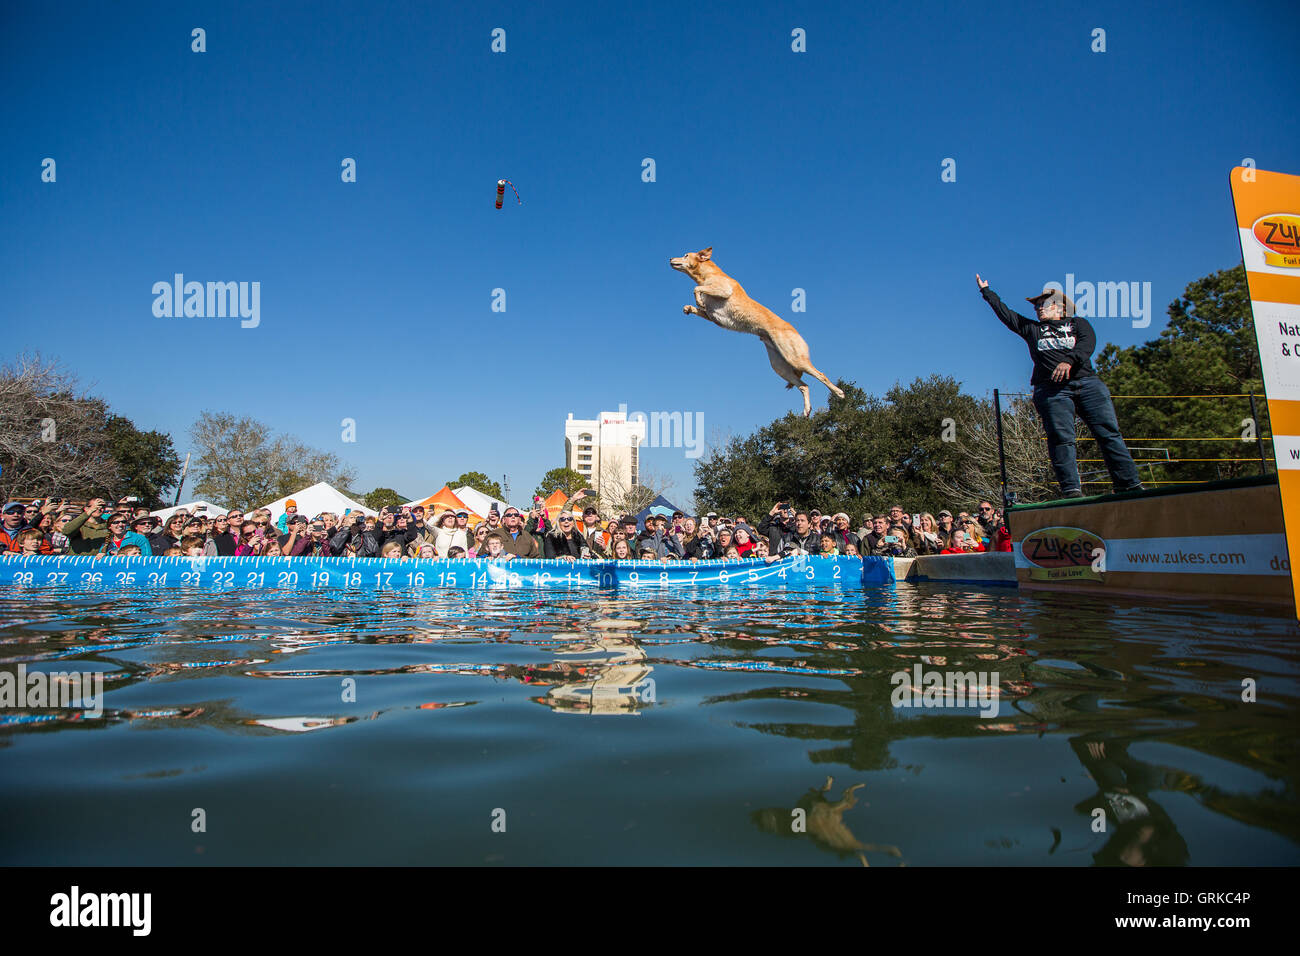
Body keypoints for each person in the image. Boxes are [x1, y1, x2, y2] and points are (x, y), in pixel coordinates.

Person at [978, 273, 1143, 497]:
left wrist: (1069, 361)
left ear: (1060, 308)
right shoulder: (1033, 329)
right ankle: (1071, 489)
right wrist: (987, 292)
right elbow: (1007, 316)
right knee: (1061, 439)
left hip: (1086, 383)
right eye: (1036, 306)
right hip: (1052, 390)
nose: (1038, 309)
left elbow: (1087, 344)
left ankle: (1128, 483)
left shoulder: (1078, 324)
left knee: (1108, 433)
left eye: (1043, 304)